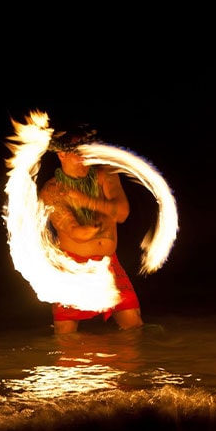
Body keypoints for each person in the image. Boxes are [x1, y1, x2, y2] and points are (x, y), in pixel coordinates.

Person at [40, 127, 143, 335]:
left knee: (133, 327)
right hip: (72, 268)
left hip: (109, 262)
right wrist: (102, 219)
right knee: (66, 335)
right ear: (62, 155)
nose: (85, 160)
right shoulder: (52, 191)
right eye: (78, 155)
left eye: (87, 153)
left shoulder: (105, 175)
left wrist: (86, 200)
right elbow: (76, 232)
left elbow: (122, 212)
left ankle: (126, 367)